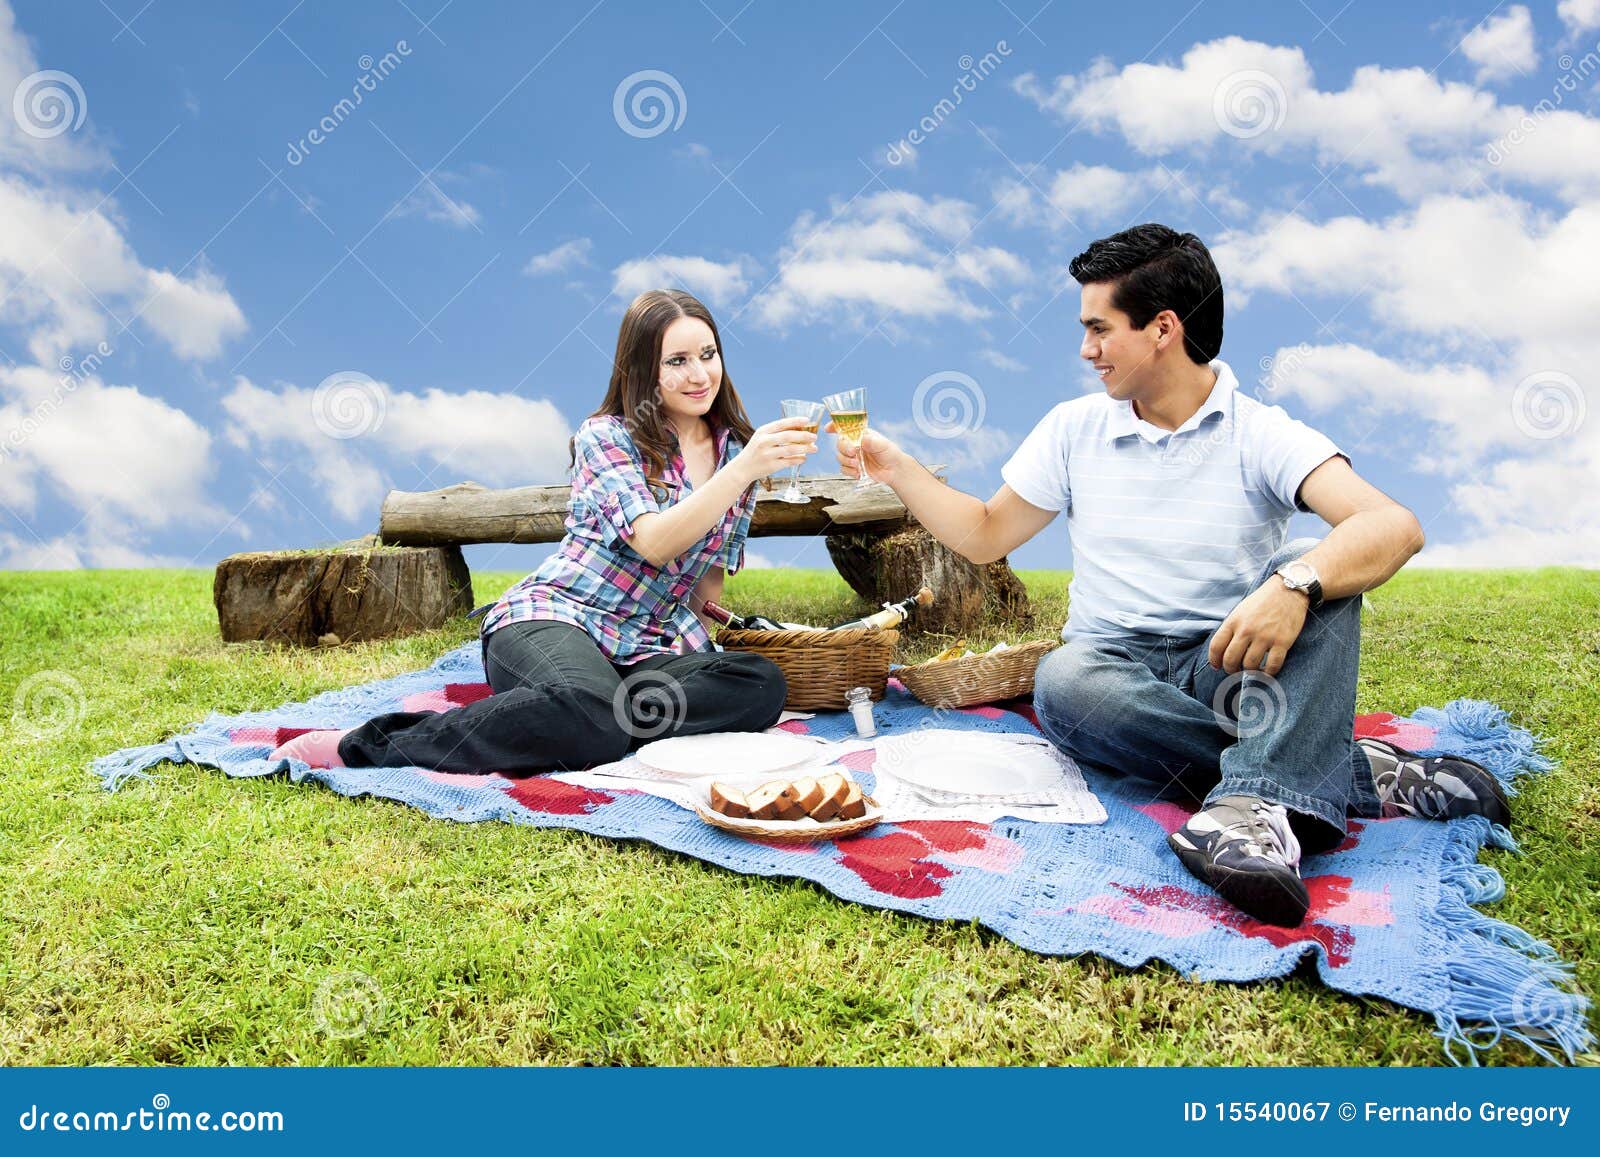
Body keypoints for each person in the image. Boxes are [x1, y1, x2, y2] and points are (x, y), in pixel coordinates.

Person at [832, 224, 1509, 927]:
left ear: (1162, 328)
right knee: (1065, 681)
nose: (1085, 349)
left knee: (1316, 571)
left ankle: (1254, 802)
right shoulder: (1073, 429)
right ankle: (1330, 771)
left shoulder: (1261, 431)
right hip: (1115, 673)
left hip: (1233, 664)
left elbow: (1394, 526)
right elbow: (984, 533)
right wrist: (896, 467)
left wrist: (1294, 585)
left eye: (1099, 328)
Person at [272, 289, 811, 775]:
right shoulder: (608, 436)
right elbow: (653, 542)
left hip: (643, 644)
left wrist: (724, 642)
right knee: (592, 715)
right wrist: (740, 474)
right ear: (642, 371)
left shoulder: (738, 452)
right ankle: (366, 744)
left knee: (759, 685)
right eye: (677, 361)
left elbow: (703, 588)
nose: (699, 375)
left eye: (708, 355)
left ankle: (585, 712)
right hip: (556, 617)